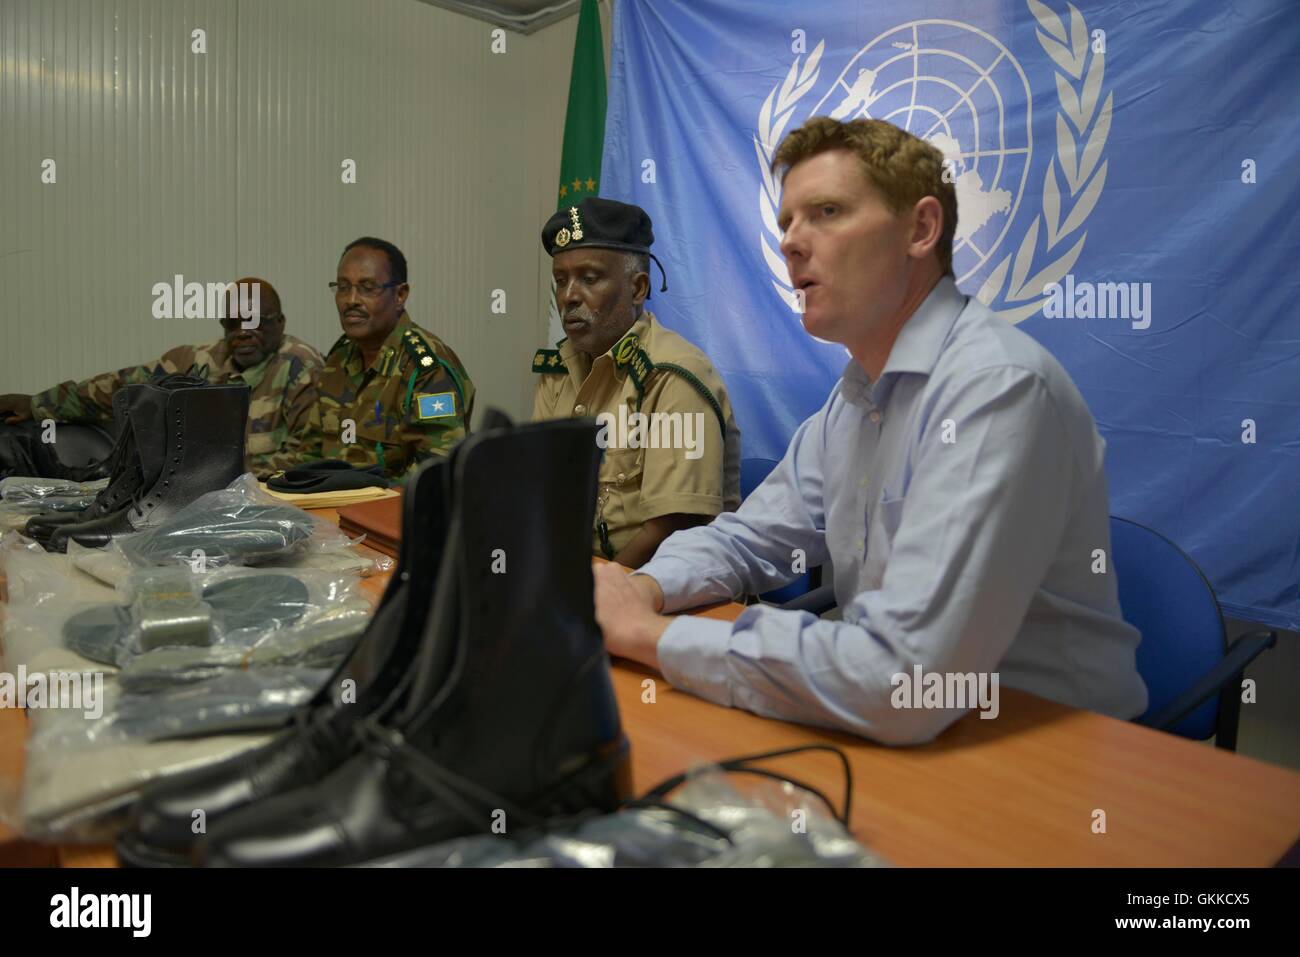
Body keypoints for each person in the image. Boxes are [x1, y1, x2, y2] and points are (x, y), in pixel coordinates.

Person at [592, 117, 1148, 744]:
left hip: (1051, 754)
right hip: (911, 732)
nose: (792, 243)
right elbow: (748, 541)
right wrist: (638, 589)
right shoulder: (855, 396)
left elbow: (904, 679)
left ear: (920, 228)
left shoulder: (998, 388)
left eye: (826, 212)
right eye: (786, 223)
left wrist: (645, 633)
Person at [532, 198, 741, 568]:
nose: (568, 296)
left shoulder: (672, 375)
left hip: (662, 591)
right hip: (575, 576)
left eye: (589, 278)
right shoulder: (558, 369)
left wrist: (594, 596)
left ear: (638, 288)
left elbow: (675, 526)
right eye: (561, 281)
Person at [0, 278, 322, 478]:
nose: (243, 332)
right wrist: (38, 404)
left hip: (271, 504)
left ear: (280, 323)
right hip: (187, 498)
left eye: (256, 321)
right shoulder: (197, 360)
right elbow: (119, 388)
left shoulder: (301, 367)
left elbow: (307, 460)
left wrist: (209, 474)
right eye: (233, 322)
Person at [268, 237, 475, 480]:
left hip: (390, 513)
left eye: (367, 288)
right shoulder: (339, 359)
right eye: (343, 287)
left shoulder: (425, 368)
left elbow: (436, 474)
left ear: (400, 294)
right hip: (331, 508)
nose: (351, 300)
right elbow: (311, 453)